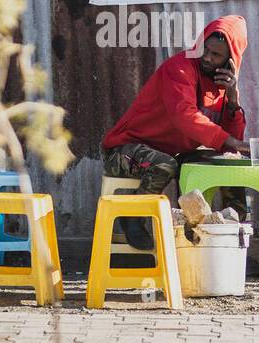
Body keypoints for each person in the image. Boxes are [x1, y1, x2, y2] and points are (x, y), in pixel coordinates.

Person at [102, 15, 250, 249]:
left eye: (216, 55)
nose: (207, 58)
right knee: (165, 164)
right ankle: (133, 215)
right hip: (124, 150)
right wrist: (230, 140)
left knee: (227, 163)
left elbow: (231, 144)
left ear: (231, 60)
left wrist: (233, 100)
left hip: (174, 153)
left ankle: (232, 234)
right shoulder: (179, 68)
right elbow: (185, 117)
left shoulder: (223, 83)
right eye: (205, 49)